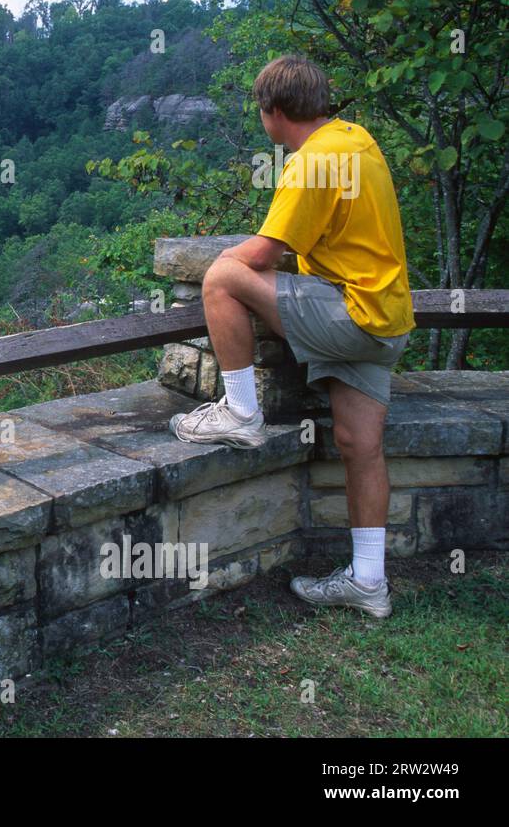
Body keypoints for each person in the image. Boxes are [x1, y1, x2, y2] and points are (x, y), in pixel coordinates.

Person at [168, 54, 415, 618]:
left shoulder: (309, 164)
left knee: (223, 279)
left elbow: (260, 254)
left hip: (349, 316)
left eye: (261, 113)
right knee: (361, 447)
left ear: (274, 112)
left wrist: (223, 255)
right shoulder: (357, 139)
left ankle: (240, 413)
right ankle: (368, 583)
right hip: (387, 321)